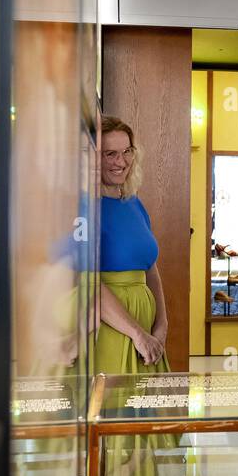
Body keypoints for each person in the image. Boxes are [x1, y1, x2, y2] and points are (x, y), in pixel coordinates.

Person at [96, 115, 169, 374]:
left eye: (127, 151)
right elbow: (86, 282)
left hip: (146, 334)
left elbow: (150, 268)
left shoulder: (134, 203)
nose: (121, 162)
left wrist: (161, 324)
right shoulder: (85, 209)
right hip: (112, 329)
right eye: (110, 154)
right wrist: (136, 334)